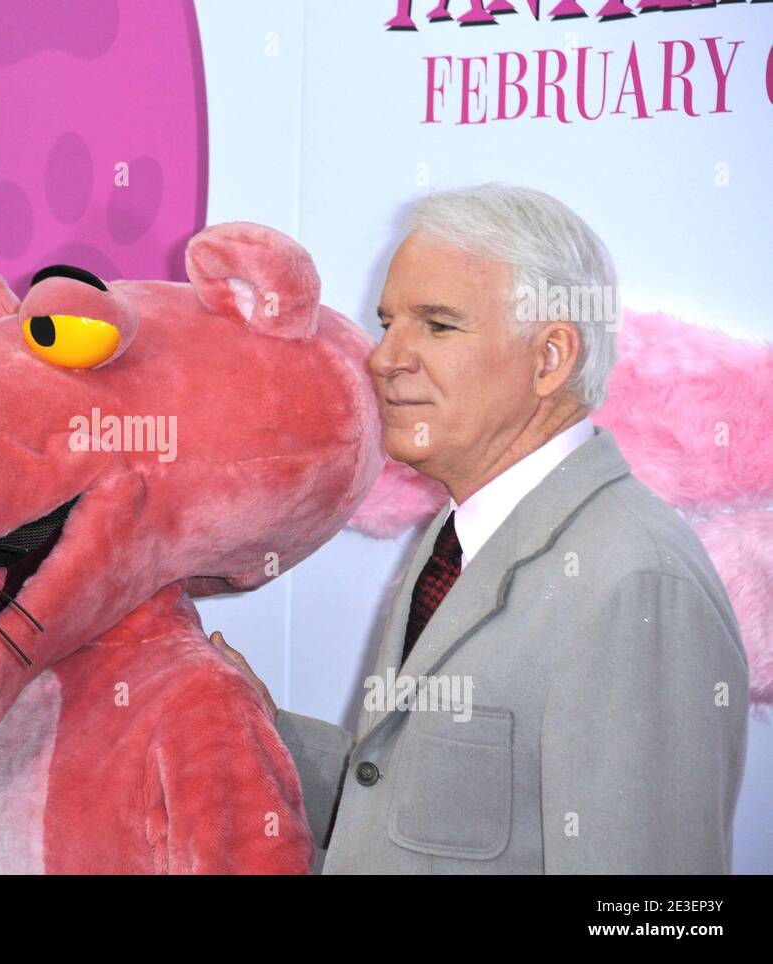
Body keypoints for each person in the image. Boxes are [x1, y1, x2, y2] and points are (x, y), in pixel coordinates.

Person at [214, 184, 749, 873]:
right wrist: (265, 733)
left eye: (437, 326)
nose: (383, 358)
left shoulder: (636, 583)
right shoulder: (457, 532)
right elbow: (427, 810)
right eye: (387, 323)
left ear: (551, 358)